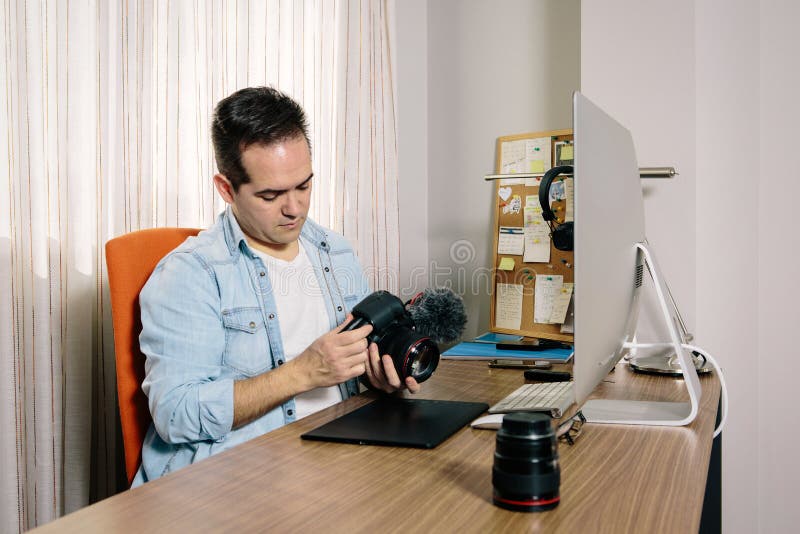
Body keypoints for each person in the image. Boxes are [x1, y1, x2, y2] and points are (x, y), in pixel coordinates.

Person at [132, 86, 419, 486]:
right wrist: (301, 373)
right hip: (238, 480)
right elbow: (175, 414)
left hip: (340, 459)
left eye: (304, 186)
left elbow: (355, 372)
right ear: (226, 188)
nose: (295, 208)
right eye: (271, 195)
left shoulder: (335, 252)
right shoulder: (190, 274)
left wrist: (378, 376)